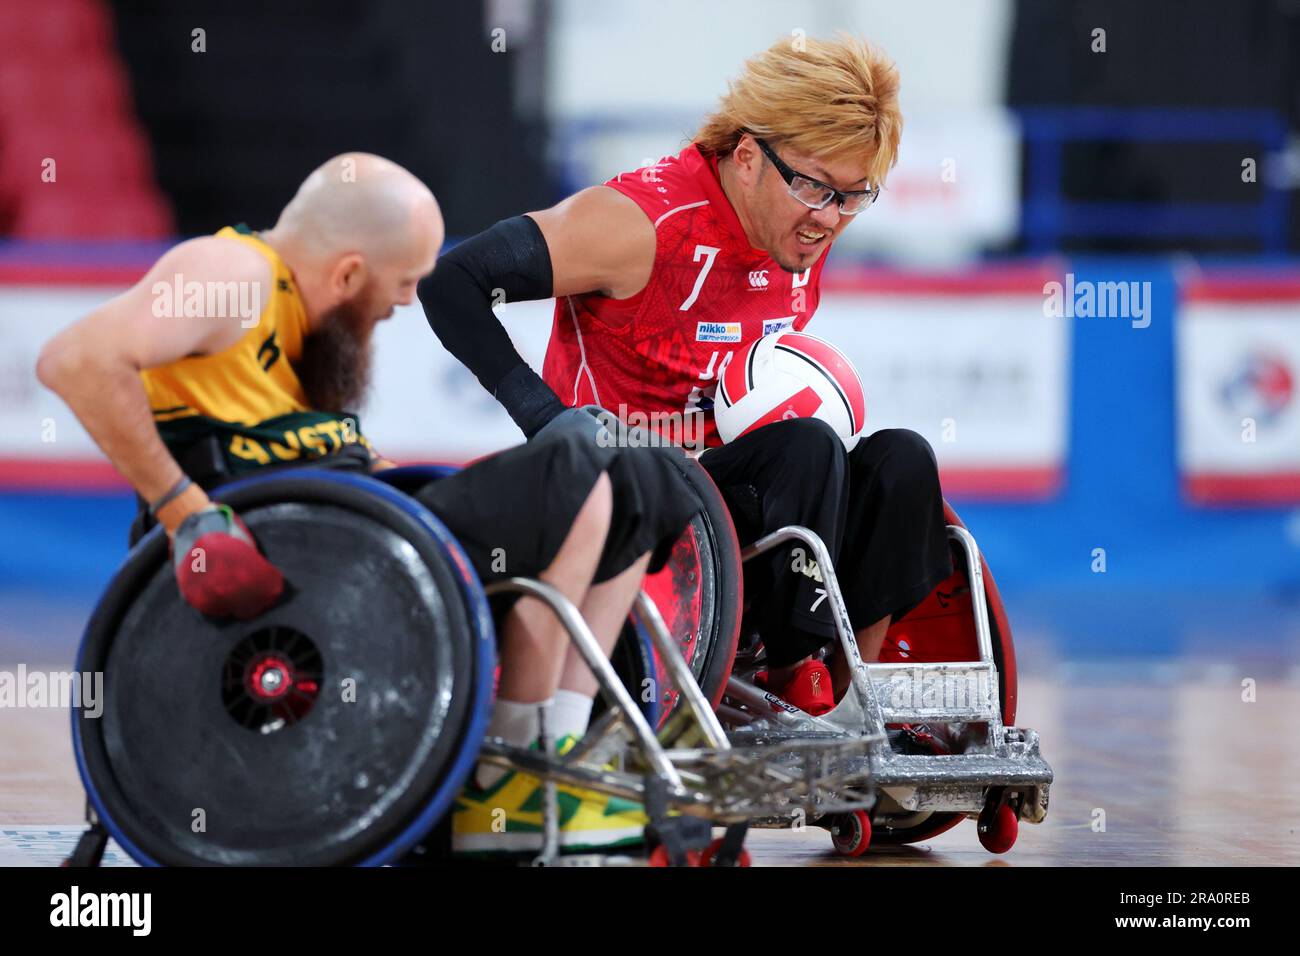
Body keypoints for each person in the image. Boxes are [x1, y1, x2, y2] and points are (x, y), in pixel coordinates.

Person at [37, 153, 697, 854]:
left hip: (361, 535)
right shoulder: (233, 274)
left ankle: (554, 748)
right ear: (349, 272)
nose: (406, 302)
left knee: (641, 475)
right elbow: (74, 360)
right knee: (579, 457)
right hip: (309, 556)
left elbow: (324, 461)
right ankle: (504, 772)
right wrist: (186, 512)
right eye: (404, 283)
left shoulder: (310, 336)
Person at [418, 35, 952, 717]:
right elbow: (452, 281)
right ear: (750, 157)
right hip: (637, 499)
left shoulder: (798, 230)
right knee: (809, 447)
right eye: (816, 188)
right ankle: (795, 681)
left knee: (902, 459)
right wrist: (548, 421)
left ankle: (860, 693)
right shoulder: (640, 223)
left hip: (739, 509)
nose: (828, 219)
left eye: (852, 197)